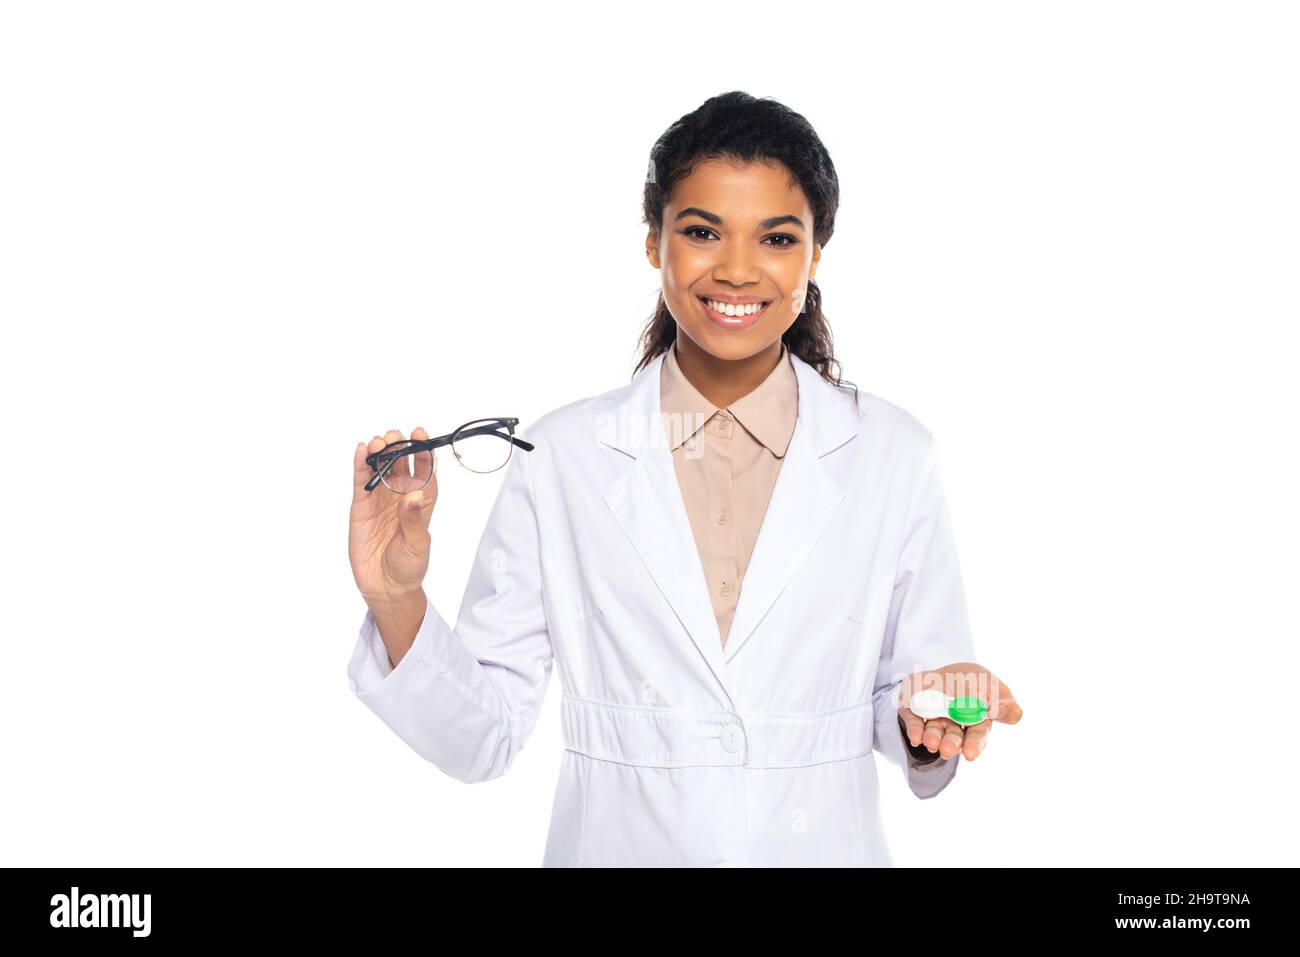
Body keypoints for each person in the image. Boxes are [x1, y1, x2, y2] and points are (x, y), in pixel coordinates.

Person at [346, 90, 1022, 867]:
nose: (736, 269)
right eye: (702, 232)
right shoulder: (564, 456)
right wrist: (394, 598)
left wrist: (934, 715)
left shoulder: (892, 453)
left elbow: (910, 702)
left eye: (776, 237)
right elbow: (483, 737)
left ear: (815, 255)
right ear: (653, 244)